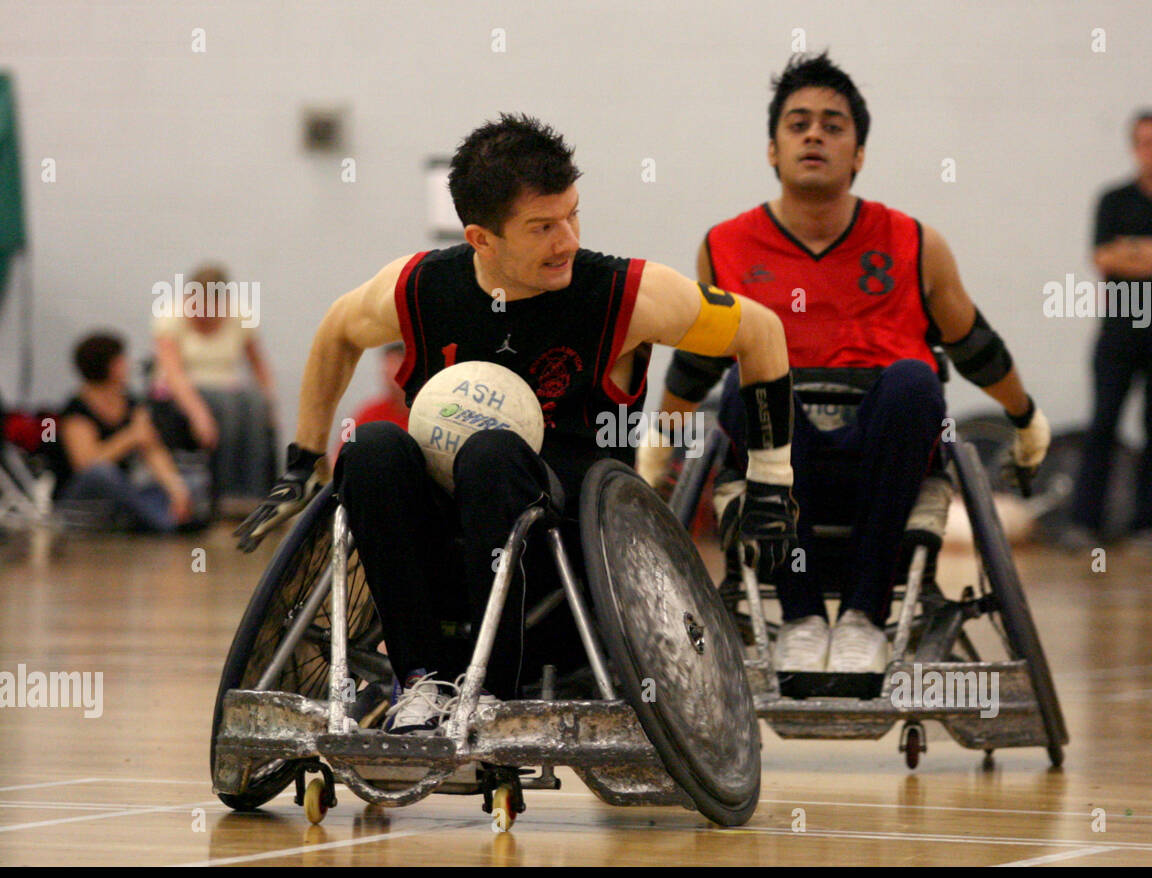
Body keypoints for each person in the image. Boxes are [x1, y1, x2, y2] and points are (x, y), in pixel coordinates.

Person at [235, 114, 798, 734]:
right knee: (369, 447)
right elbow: (337, 329)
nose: (568, 241)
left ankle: (491, 691)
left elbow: (762, 331)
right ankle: (420, 679)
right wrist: (302, 461)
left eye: (572, 216)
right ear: (481, 238)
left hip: (568, 539)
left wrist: (771, 480)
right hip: (439, 534)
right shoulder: (421, 286)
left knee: (492, 454)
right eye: (542, 227)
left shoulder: (624, 293)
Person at [638, 53, 1051, 675]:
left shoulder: (916, 242)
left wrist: (1025, 418)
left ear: (858, 154)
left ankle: (865, 617)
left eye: (833, 126)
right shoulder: (724, 245)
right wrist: (659, 441)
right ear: (773, 150)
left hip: (886, 453)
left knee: (915, 378)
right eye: (797, 123)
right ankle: (802, 619)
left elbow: (975, 346)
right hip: (779, 455)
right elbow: (696, 362)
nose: (814, 134)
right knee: (746, 382)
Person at [1064, 111, 1152, 553]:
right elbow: (1105, 258)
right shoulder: (1114, 199)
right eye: (1143, 142)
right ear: (1134, 147)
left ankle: (1147, 526)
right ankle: (1085, 523)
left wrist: (1136, 250)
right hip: (1121, 329)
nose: (1151, 150)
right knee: (1103, 423)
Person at [151, 263, 278, 510]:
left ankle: (256, 494)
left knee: (254, 403)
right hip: (183, 393)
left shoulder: (239, 316)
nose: (204, 312)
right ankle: (226, 493)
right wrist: (198, 414)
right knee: (227, 407)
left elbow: (259, 367)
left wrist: (270, 404)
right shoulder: (170, 317)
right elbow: (174, 375)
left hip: (228, 389)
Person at [57, 332, 197, 532]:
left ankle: (166, 514)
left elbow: (153, 451)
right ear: (109, 366)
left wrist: (177, 490)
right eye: (122, 361)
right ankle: (162, 522)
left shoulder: (131, 404)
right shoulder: (77, 410)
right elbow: (86, 464)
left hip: (123, 491)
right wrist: (130, 437)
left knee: (187, 478)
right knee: (104, 473)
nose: (127, 366)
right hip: (82, 495)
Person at [333, 342, 408, 462]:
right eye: (386, 370)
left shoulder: (429, 416)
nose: (388, 376)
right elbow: (340, 453)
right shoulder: (367, 412)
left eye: (396, 367)